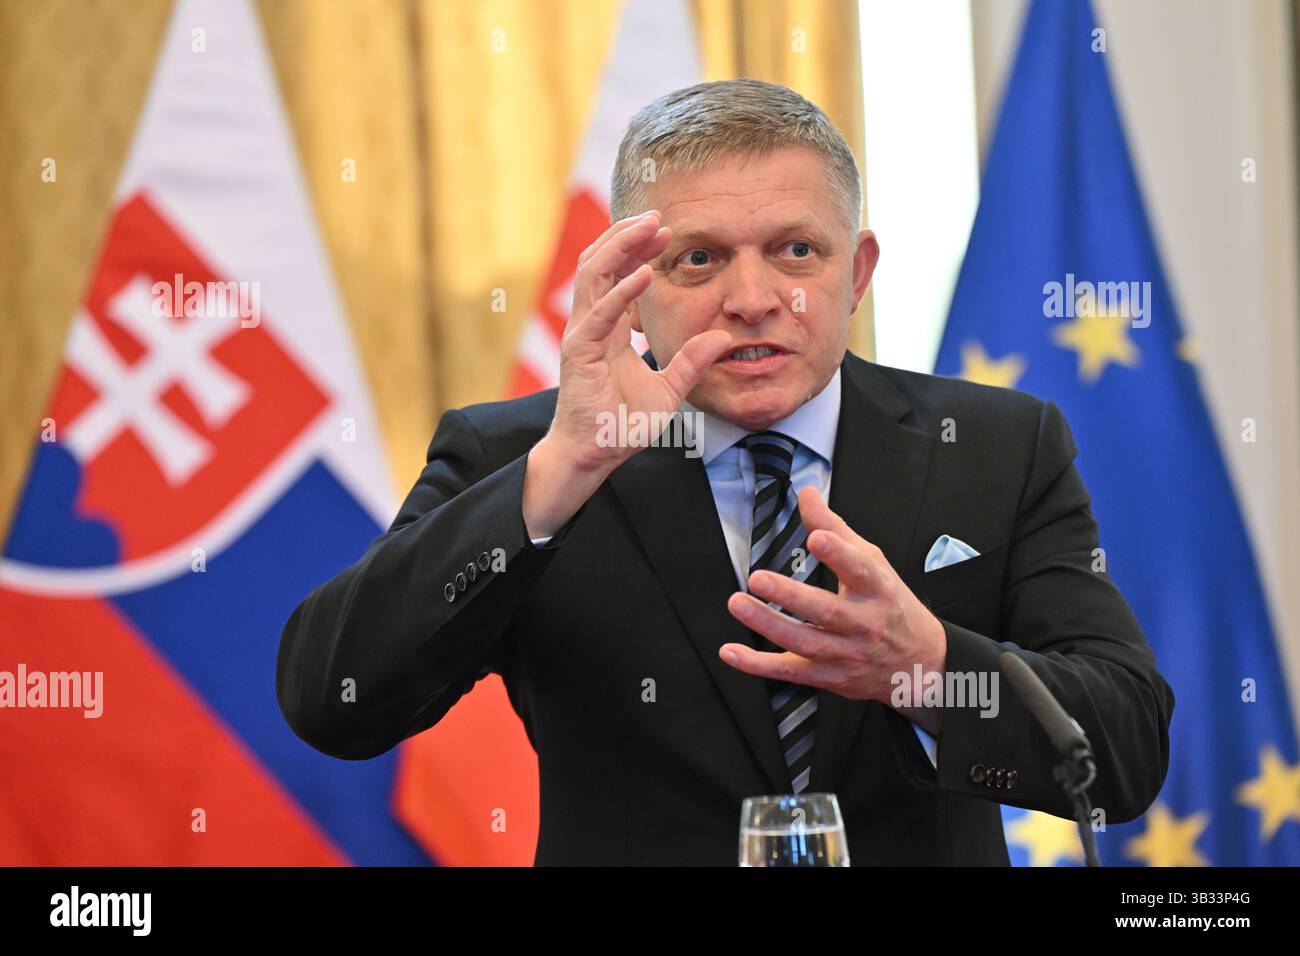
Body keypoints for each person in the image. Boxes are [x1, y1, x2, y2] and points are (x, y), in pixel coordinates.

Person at [276, 78, 1174, 865]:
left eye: (796, 251)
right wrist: (563, 470)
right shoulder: (521, 458)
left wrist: (929, 669)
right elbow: (333, 699)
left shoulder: (996, 445)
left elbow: (1126, 749)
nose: (750, 301)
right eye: (698, 258)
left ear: (855, 274)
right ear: (631, 280)